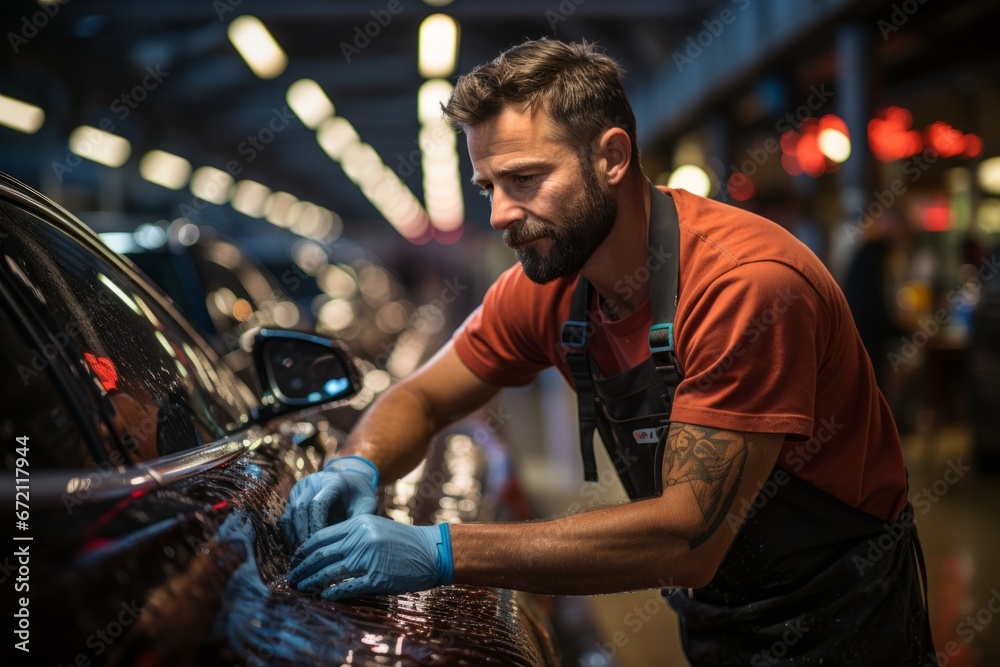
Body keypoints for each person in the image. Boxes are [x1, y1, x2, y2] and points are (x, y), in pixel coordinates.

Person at [281, 38, 935, 664]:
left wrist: (441, 549)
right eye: (488, 188)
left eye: (526, 178)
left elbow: (688, 539)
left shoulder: (744, 287)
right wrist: (357, 465)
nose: (502, 214)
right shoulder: (552, 285)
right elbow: (421, 396)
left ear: (612, 157)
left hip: (843, 610)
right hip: (716, 613)